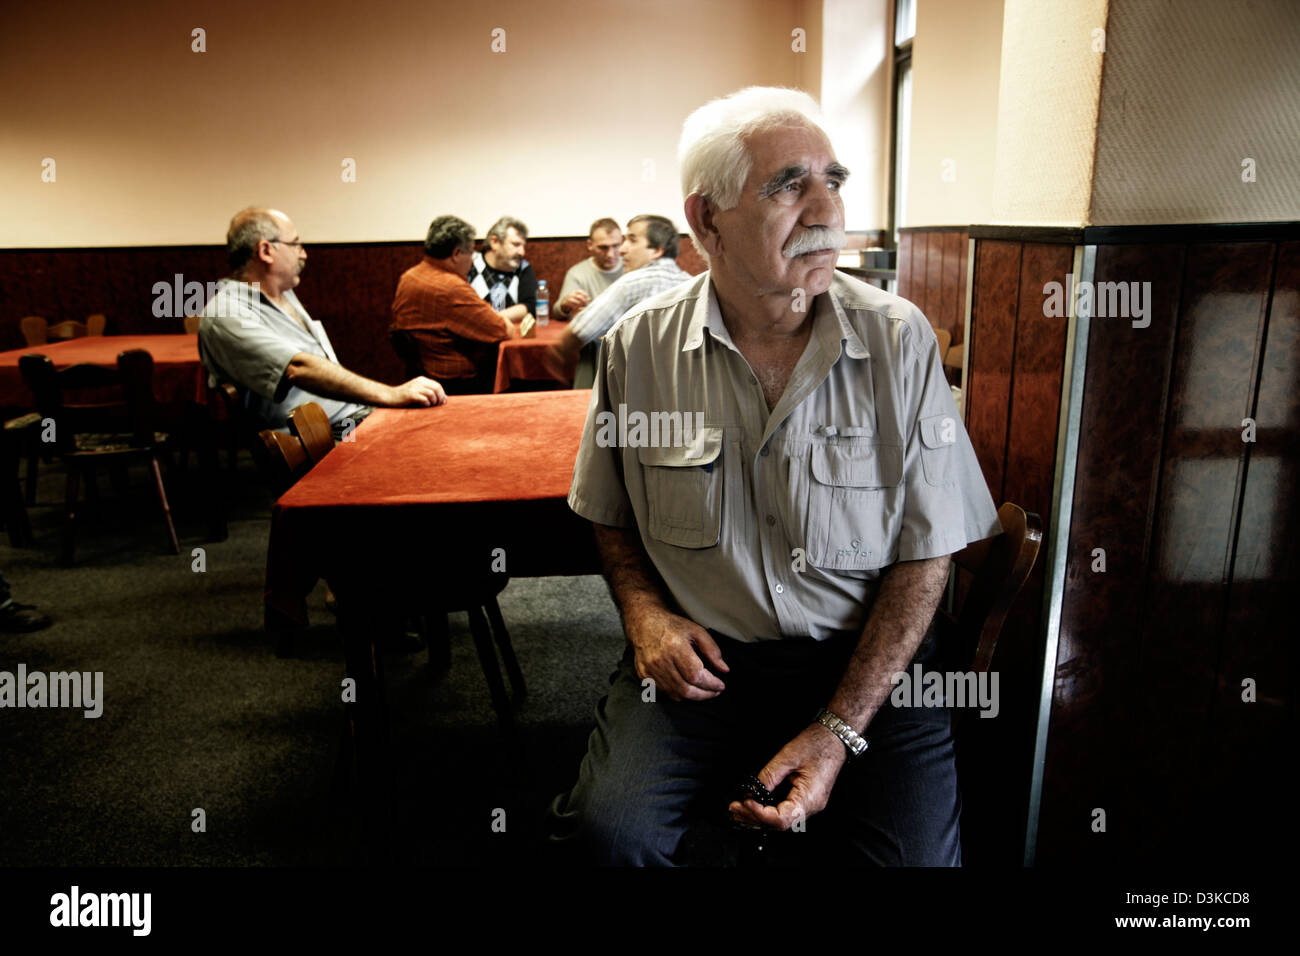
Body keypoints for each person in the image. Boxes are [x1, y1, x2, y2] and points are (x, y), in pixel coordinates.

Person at [547, 86, 1000, 866]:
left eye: (835, 179)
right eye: (790, 184)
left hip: (870, 663)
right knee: (607, 839)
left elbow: (929, 553)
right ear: (705, 220)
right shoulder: (638, 351)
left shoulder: (898, 341)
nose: (827, 209)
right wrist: (645, 618)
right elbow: (609, 511)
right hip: (706, 666)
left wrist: (838, 729)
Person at [199, 208, 445, 436]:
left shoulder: (282, 293)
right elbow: (298, 368)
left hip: (350, 419)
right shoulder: (225, 314)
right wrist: (391, 394)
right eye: (295, 244)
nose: (303, 253)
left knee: (443, 426)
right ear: (266, 251)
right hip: (322, 437)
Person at [544, 215, 692, 388]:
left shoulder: (631, 283)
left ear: (656, 250)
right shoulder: (692, 283)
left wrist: (558, 357)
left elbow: (577, 332)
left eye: (632, 240)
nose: (622, 250)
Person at [390, 215, 529, 395]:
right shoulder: (451, 288)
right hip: (458, 383)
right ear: (456, 254)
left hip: (420, 376)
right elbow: (503, 330)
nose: (472, 260)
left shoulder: (409, 277)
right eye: (471, 252)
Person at [553, 218, 624, 319]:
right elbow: (557, 312)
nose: (610, 254)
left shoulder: (633, 268)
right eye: (603, 247)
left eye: (616, 246)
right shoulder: (577, 273)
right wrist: (565, 305)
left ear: (622, 242)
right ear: (590, 245)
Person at [468, 216, 537, 317]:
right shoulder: (470, 263)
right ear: (494, 242)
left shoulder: (523, 268)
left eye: (523, 246)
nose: (522, 252)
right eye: (516, 244)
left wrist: (494, 319)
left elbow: (531, 305)